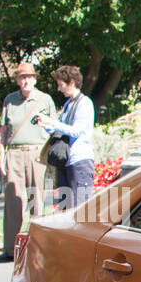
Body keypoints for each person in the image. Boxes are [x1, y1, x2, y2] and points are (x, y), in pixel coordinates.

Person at [0, 62, 54, 263]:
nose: (26, 80)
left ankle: (37, 248)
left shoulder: (45, 99)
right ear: (17, 80)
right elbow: (3, 132)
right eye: (22, 77)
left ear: (35, 79)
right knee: (13, 201)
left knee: (36, 200)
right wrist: (1, 158)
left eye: (29, 77)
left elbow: (53, 127)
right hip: (14, 153)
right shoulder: (10, 100)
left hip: (36, 153)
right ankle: (10, 250)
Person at [38, 64, 95, 211]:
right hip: (66, 162)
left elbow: (76, 131)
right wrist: (46, 124)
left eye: (60, 85)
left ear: (71, 82)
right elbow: (62, 130)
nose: (59, 89)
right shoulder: (69, 104)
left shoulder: (85, 103)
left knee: (80, 210)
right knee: (65, 210)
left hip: (80, 162)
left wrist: (52, 122)